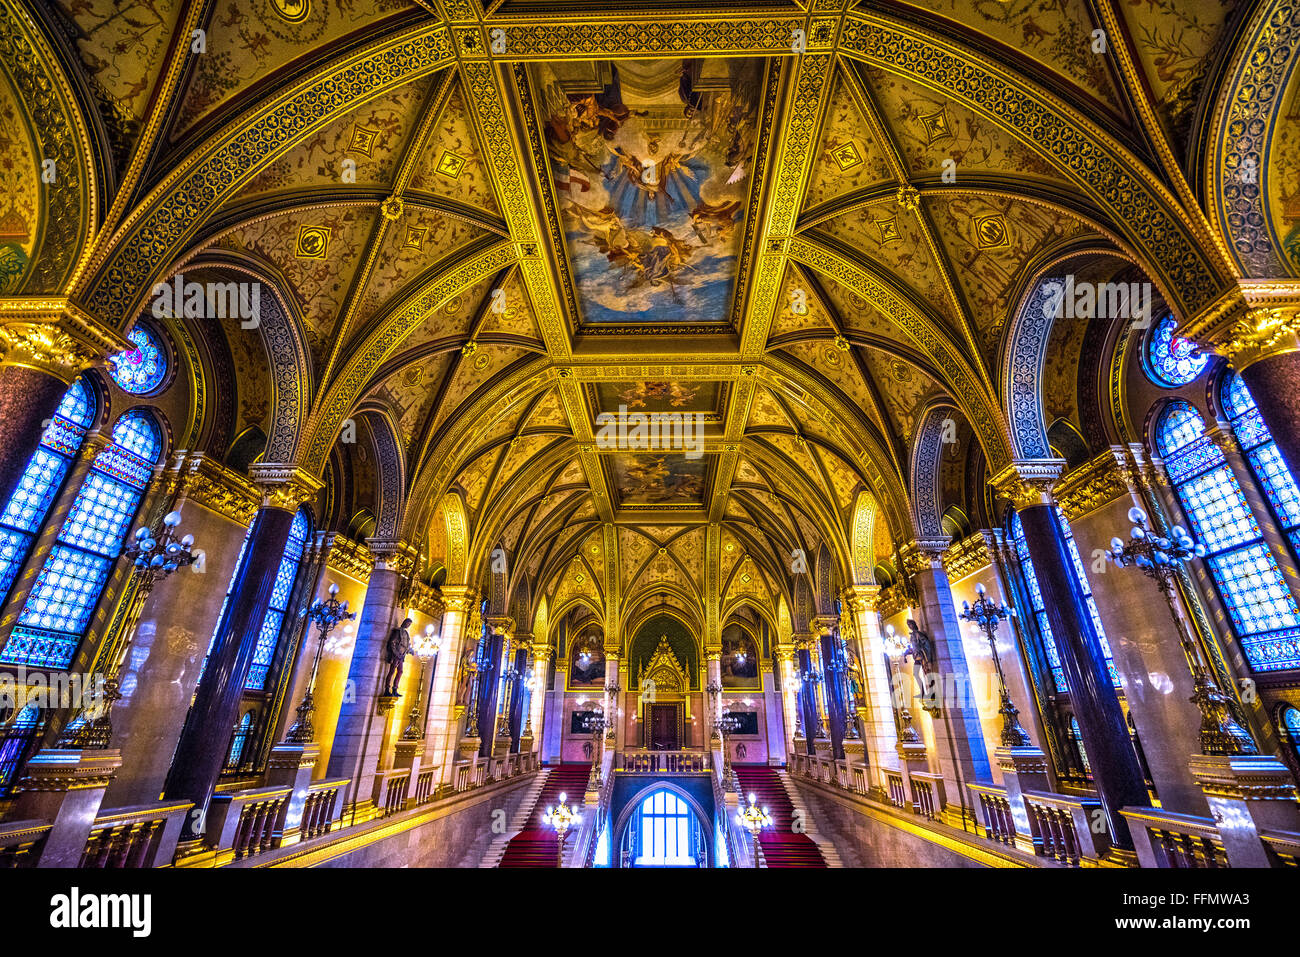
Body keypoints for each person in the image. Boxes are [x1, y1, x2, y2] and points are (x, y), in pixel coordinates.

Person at [383, 618, 414, 696]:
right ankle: (387, 689)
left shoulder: (406, 633)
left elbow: (407, 645)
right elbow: (392, 642)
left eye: (409, 624)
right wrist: (396, 653)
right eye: (408, 624)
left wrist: (410, 650)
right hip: (396, 655)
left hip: (402, 656)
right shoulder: (398, 631)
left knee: (400, 671)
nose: (408, 625)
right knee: (392, 671)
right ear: (404, 623)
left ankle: (395, 689)